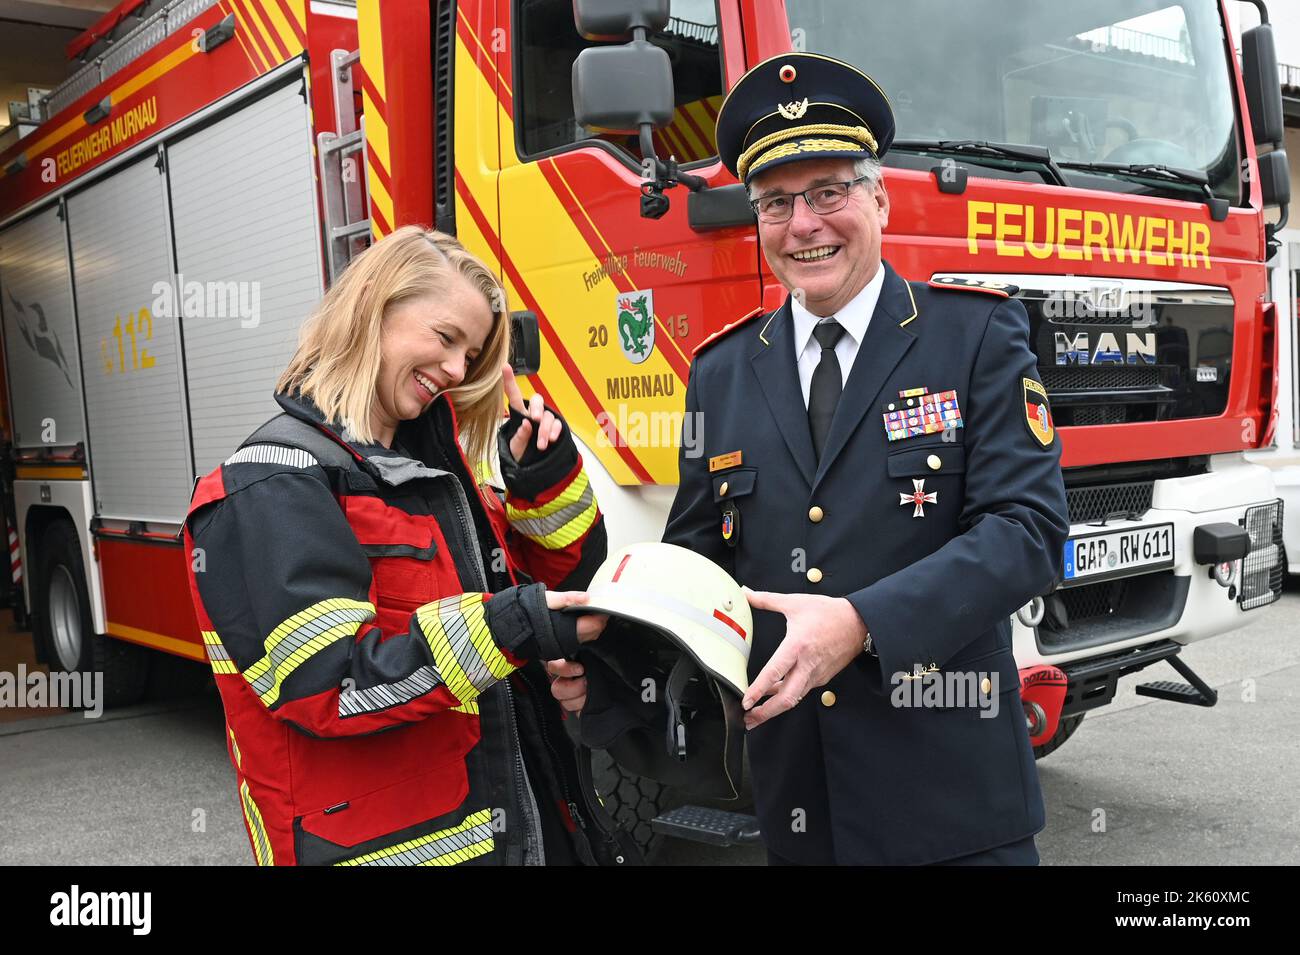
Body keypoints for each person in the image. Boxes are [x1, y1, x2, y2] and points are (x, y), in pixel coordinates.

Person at [550, 53, 1070, 865]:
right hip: (797, 800)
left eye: (830, 192)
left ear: (880, 198)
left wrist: (862, 623)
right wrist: (610, 658)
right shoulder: (720, 372)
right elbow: (697, 564)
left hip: (954, 803)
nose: (805, 224)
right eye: (778, 203)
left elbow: (1028, 531)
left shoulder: (974, 337)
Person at [183, 226, 621, 866]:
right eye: (445, 339)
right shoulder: (274, 483)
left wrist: (541, 483)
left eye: (470, 356)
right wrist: (509, 630)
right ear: (372, 309)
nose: (454, 370)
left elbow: (555, 584)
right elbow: (327, 686)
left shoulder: (426, 476)